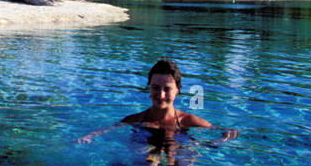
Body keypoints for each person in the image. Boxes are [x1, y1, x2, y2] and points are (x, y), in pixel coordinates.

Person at [76, 58, 239, 145]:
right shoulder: (136, 119)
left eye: (167, 89)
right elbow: (105, 130)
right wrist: (89, 136)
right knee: (143, 159)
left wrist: (225, 137)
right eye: (155, 88)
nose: (161, 95)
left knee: (185, 163)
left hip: (178, 147)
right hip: (145, 148)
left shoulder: (188, 121)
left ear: (178, 90)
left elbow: (219, 131)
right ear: (149, 88)